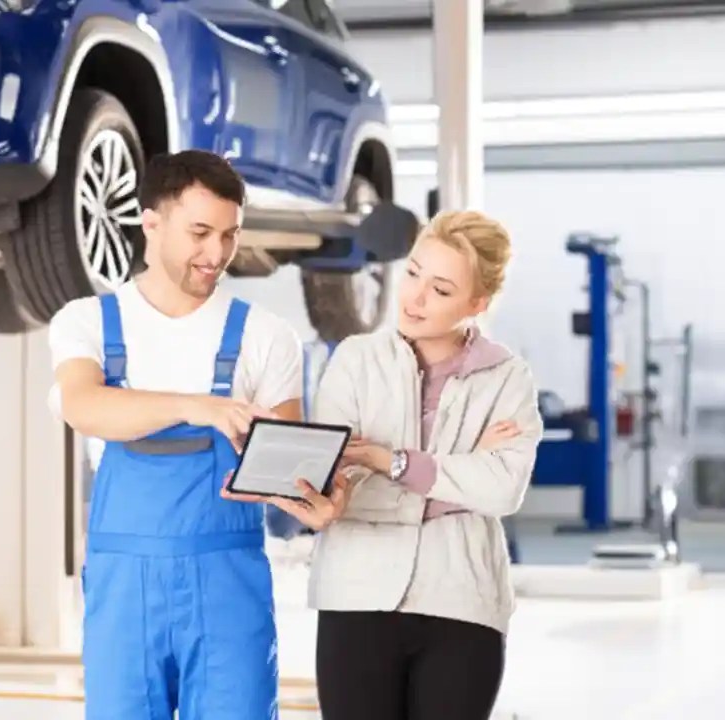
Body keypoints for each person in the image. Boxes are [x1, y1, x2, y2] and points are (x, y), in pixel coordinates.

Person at [48, 150, 327, 720]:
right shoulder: (87, 321)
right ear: (151, 223)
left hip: (227, 585)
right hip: (125, 588)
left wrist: (309, 498)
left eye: (230, 235)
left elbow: (288, 464)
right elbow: (84, 406)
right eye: (200, 232)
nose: (217, 254)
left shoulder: (266, 335)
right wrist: (197, 406)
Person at [294, 209, 541, 720]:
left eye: (442, 289)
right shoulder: (355, 360)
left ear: (477, 303)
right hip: (356, 595)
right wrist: (460, 473)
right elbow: (342, 476)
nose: (415, 297)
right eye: (412, 274)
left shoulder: (507, 378)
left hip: (462, 601)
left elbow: (503, 491)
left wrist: (393, 461)